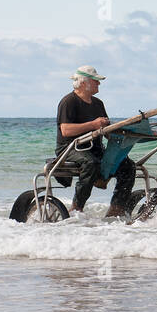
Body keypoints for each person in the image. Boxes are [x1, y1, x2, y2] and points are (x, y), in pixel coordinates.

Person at [56, 65, 135, 218]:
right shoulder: (68, 102)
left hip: (95, 149)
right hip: (70, 149)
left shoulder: (98, 103)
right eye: (96, 81)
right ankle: (77, 207)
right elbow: (65, 130)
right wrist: (93, 124)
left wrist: (131, 133)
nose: (99, 84)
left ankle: (116, 209)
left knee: (128, 166)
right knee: (90, 163)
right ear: (83, 83)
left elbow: (106, 129)